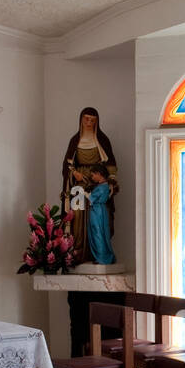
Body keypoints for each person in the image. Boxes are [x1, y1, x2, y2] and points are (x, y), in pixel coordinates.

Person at [60, 107, 119, 263]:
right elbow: (67, 165)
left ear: (97, 121)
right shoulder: (75, 140)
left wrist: (110, 180)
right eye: (86, 119)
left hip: (97, 184)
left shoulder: (103, 140)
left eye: (92, 120)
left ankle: (97, 253)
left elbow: (111, 165)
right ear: (81, 119)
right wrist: (74, 173)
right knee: (77, 215)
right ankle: (78, 249)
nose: (89, 122)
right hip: (79, 186)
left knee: (99, 221)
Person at [85, 164, 116, 265]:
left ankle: (102, 257)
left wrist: (83, 193)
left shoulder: (102, 187)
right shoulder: (104, 186)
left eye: (93, 175)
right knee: (98, 233)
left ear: (99, 174)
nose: (92, 177)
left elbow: (91, 198)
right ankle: (101, 256)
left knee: (98, 232)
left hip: (98, 211)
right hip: (98, 210)